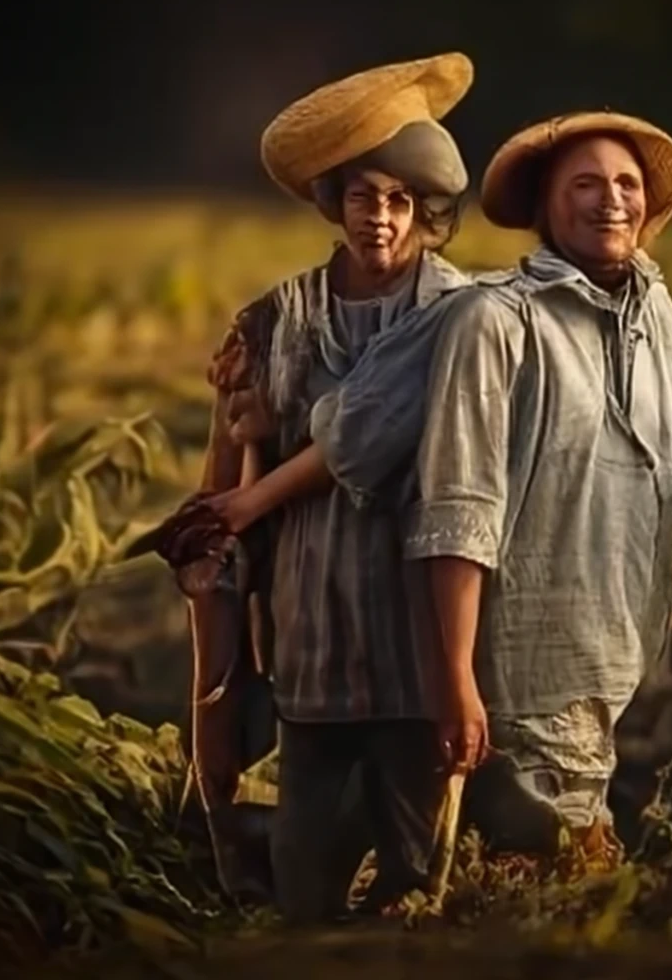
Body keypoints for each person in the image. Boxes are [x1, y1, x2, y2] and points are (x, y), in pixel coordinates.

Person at [164, 110, 672, 864]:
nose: (610, 199)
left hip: (600, 671)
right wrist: (455, 679)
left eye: (625, 183)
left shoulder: (657, 319)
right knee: (487, 856)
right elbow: (450, 503)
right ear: (545, 206)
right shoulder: (491, 318)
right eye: (584, 184)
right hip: (498, 675)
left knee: (536, 859)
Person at [146, 53, 477, 919]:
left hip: (419, 631)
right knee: (303, 892)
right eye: (364, 195)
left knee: (414, 894)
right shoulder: (273, 318)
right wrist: (233, 424)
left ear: (427, 212)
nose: (381, 217)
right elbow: (228, 477)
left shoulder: (465, 317)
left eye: (401, 201)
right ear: (335, 202)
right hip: (310, 635)